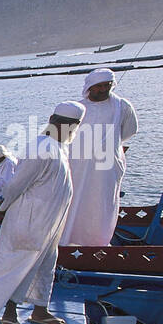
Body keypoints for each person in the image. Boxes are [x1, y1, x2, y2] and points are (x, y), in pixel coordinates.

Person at [0, 102, 85, 324]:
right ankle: (9, 312)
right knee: (18, 265)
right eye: (71, 127)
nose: (72, 132)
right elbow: (17, 184)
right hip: (29, 219)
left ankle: (40, 310)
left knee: (45, 265)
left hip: (49, 222)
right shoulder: (41, 146)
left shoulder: (57, 147)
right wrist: (3, 207)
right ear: (56, 122)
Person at [60, 67, 139, 247]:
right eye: (99, 86)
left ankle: (98, 243)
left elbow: (129, 131)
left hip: (106, 167)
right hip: (78, 165)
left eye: (107, 85)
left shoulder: (122, 106)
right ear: (90, 87)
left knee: (101, 203)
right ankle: (67, 240)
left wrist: (107, 146)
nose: (104, 89)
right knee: (74, 201)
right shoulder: (78, 108)